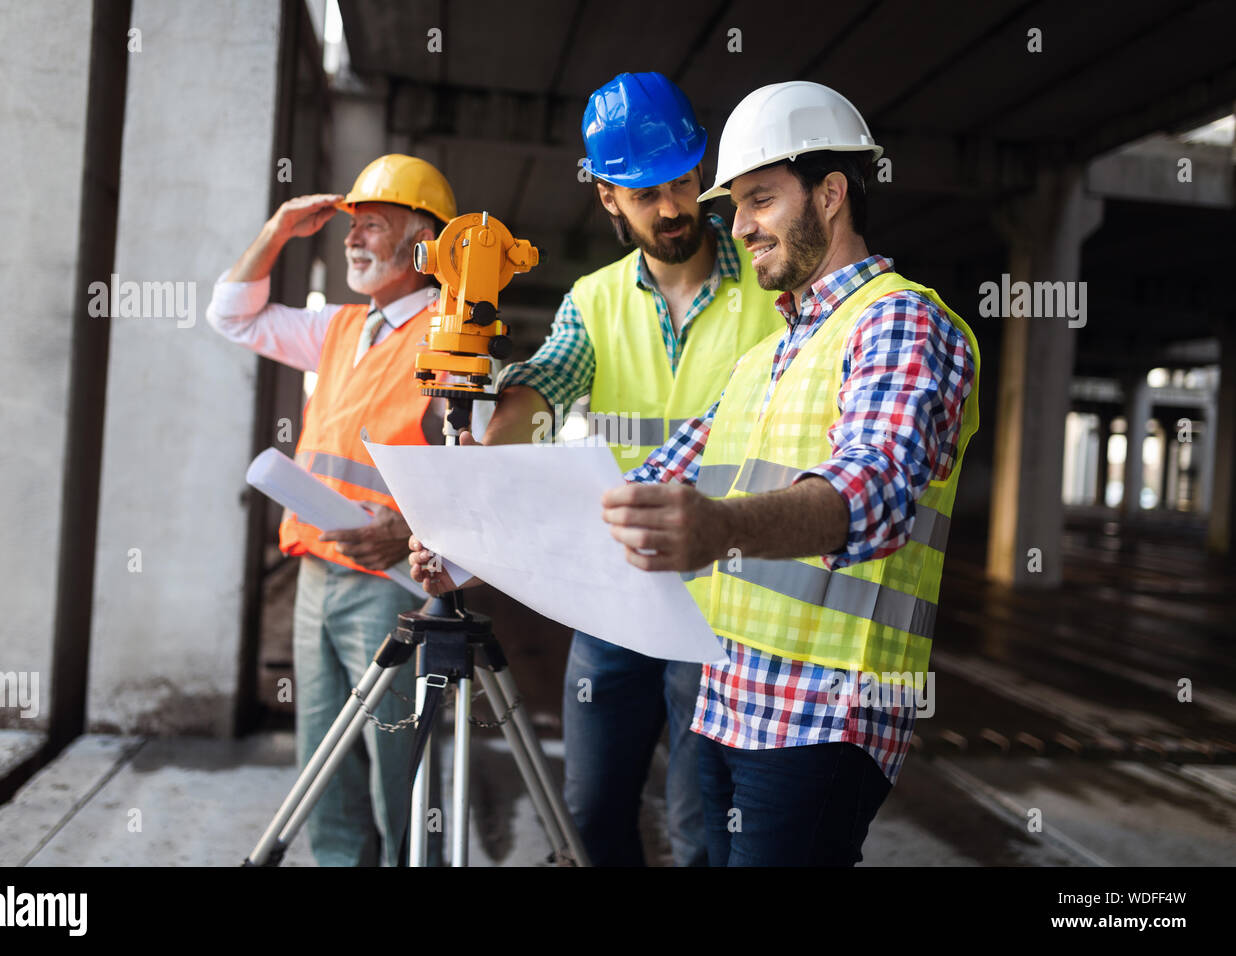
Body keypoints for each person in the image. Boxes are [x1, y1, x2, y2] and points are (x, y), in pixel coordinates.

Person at [413, 81, 980, 867]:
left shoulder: (897, 319)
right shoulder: (763, 352)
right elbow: (631, 490)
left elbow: (876, 491)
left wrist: (721, 527)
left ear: (832, 195)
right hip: (732, 692)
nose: (730, 222)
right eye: (734, 204)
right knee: (598, 816)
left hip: (820, 708)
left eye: (757, 200)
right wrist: (477, 542)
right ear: (610, 197)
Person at [427, 72, 783, 866]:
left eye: (684, 182)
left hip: (726, 599)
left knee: (703, 831)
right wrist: (473, 497)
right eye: (644, 192)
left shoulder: (772, 289)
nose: (670, 208)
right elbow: (544, 387)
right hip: (617, 595)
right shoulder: (592, 301)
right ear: (608, 201)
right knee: (588, 821)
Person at [205, 154, 456, 866]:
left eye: (372, 226)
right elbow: (231, 315)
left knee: (398, 770)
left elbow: (479, 467)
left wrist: (407, 530)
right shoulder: (342, 329)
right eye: (351, 227)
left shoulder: (451, 331)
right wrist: (277, 230)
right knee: (325, 765)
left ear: (424, 244)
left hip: (391, 588)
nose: (352, 240)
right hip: (317, 579)